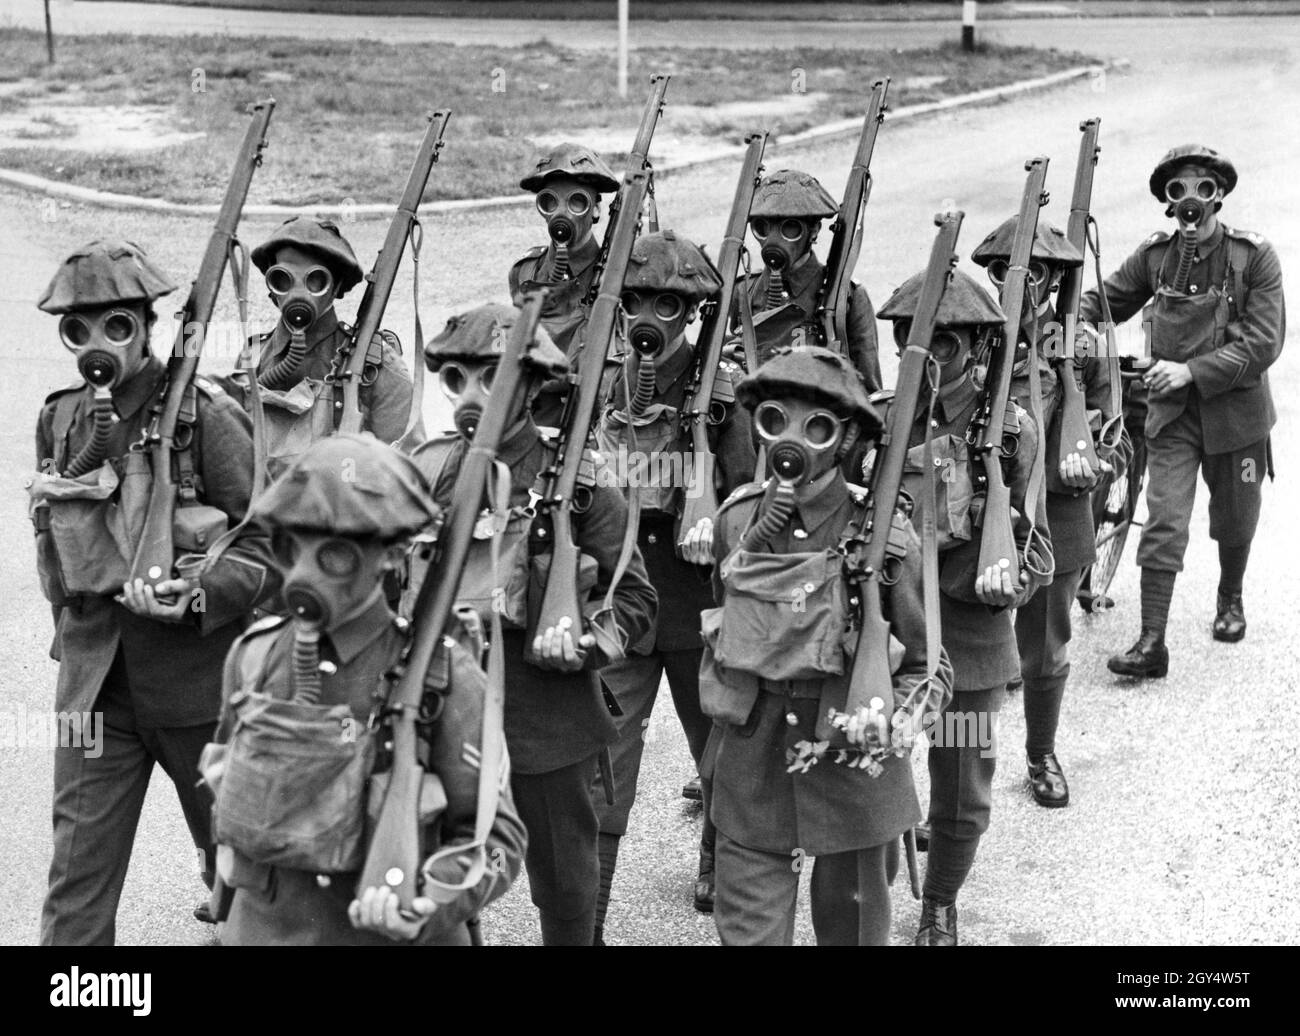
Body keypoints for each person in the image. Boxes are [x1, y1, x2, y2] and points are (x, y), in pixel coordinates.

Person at [29, 239, 275, 944]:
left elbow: (269, 542)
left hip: (199, 689)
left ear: (146, 325)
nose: (97, 343)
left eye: (116, 324)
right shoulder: (59, 418)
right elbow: (59, 543)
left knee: (239, 878)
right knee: (75, 887)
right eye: (79, 328)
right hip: (94, 688)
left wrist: (200, 595)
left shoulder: (204, 415)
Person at [202, 433, 525, 944]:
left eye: (335, 553)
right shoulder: (253, 657)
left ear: (390, 556)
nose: (304, 570)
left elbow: (499, 844)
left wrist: (429, 901)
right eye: (291, 545)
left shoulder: (443, 678)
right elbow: (226, 788)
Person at [412, 302, 656, 946]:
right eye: (457, 379)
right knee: (440, 872)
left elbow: (633, 602)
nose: (471, 396)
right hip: (441, 708)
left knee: (566, 883)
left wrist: (586, 642)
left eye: (490, 379)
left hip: (543, 712)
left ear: (529, 387)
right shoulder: (428, 474)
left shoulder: (580, 487)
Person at [699, 345, 951, 946]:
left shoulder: (886, 538)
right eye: (774, 418)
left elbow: (928, 665)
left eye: (815, 426)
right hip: (754, 767)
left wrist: (898, 720)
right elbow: (722, 624)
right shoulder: (738, 524)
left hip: (853, 776)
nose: (792, 440)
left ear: (844, 441)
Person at [588, 230, 756, 932]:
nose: (648, 320)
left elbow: (751, 501)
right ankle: (586, 923)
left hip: (696, 599)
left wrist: (710, 518)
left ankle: (717, 857)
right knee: (602, 769)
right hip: (624, 596)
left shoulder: (725, 395)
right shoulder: (599, 381)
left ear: (692, 314)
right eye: (636, 303)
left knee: (718, 753)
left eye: (668, 304)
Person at [878, 269, 1046, 945]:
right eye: (915, 340)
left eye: (946, 342)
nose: (930, 356)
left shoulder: (1010, 432)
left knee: (960, 790)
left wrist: (1008, 583)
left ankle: (940, 901)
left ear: (978, 345)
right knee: (868, 765)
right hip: (888, 634)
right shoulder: (880, 418)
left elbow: (1034, 551)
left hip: (971, 644)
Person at [1080, 145, 1284, 675]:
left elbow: (1264, 343)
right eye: (1179, 189)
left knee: (1235, 519)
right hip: (1172, 415)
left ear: (1219, 195)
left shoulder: (1253, 257)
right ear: (1168, 203)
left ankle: (1230, 597)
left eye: (1202, 186)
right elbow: (1104, 303)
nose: (1192, 199)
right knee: (1164, 520)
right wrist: (1059, 321)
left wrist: (1192, 370)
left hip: (1236, 416)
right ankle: (1152, 643)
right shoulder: (1156, 258)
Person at [971, 216, 1115, 807]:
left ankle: (1040, 754)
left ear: (1055, 277)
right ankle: (957, 779)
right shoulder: (970, 333)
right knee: (965, 663)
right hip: (979, 515)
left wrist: (1090, 459)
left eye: (1035, 272)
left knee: (1047, 645)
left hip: (1055, 514)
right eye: (1006, 271)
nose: (1020, 282)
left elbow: (1109, 434)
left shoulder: (1080, 348)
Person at [223, 216, 413, 476]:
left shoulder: (376, 367)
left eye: (315, 280)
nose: (298, 292)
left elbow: (406, 475)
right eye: (283, 279)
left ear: (335, 287)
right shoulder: (253, 357)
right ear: (272, 288)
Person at [733, 169, 881, 391]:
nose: (773, 239)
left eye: (789, 228)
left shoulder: (845, 298)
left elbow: (869, 392)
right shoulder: (744, 292)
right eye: (763, 227)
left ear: (814, 231)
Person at [509, 143, 622, 426]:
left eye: (576, 202)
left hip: (598, 423)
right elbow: (511, 344)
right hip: (536, 421)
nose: (562, 213)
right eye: (550, 202)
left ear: (596, 210)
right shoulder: (525, 274)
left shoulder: (621, 276)